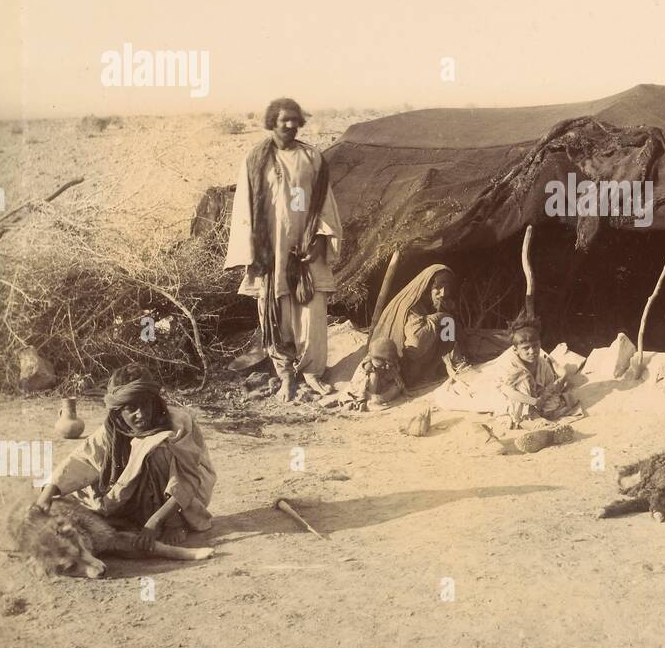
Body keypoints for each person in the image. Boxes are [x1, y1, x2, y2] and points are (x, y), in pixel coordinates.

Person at [224, 97, 343, 403]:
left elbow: (323, 205)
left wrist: (319, 241)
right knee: (276, 313)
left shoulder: (312, 157)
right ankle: (286, 374)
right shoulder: (255, 161)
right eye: (283, 120)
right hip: (271, 251)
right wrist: (252, 254)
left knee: (312, 311)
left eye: (294, 119)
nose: (290, 125)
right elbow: (244, 210)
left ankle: (313, 374)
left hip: (307, 246)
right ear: (271, 122)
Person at [33, 366, 216, 549]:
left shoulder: (177, 422)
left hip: (188, 493)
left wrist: (155, 522)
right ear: (118, 411)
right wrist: (46, 495)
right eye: (131, 408)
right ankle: (138, 515)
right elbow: (82, 459)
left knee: (159, 448)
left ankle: (173, 522)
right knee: (87, 500)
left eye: (145, 404)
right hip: (143, 492)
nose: (141, 414)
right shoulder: (113, 428)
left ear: (154, 401)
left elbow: (187, 478)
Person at [359, 264, 469, 397]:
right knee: (446, 320)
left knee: (449, 321)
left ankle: (448, 365)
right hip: (402, 366)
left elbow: (456, 333)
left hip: (424, 363)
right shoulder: (411, 306)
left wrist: (446, 314)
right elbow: (416, 345)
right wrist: (438, 317)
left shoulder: (436, 303)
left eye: (448, 288)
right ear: (427, 287)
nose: (444, 293)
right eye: (438, 288)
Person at [494, 311, 577, 429]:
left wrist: (543, 397)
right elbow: (508, 391)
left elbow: (549, 384)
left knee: (554, 403)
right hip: (515, 396)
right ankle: (528, 422)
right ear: (516, 350)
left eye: (535, 346)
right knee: (523, 383)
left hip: (537, 397)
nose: (532, 351)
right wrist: (533, 401)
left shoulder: (542, 363)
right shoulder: (510, 365)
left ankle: (539, 417)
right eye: (526, 348)